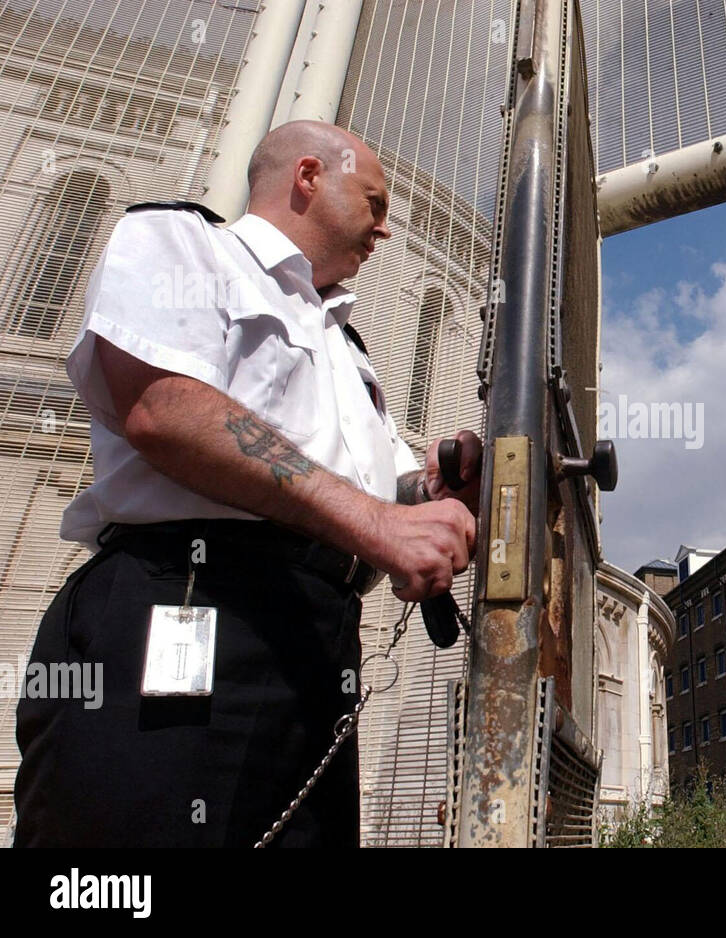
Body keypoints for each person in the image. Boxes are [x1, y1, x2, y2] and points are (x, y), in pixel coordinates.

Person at [13, 120, 481, 847]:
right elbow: (163, 407)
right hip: (187, 601)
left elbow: (390, 487)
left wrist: (442, 488)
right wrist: (376, 523)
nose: (385, 231)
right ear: (307, 176)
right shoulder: (185, 244)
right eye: (376, 203)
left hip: (319, 645)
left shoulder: (347, 348)